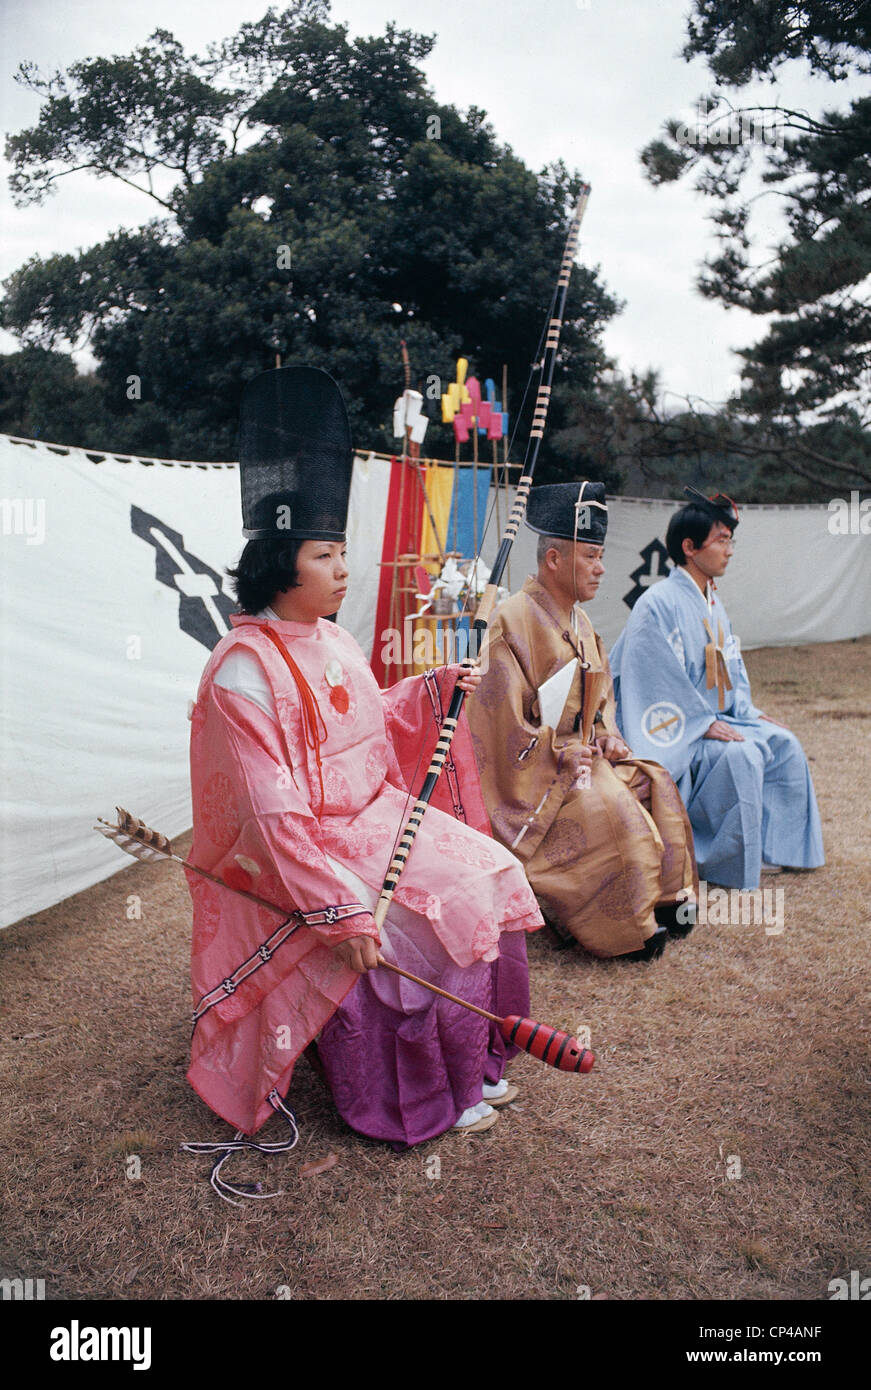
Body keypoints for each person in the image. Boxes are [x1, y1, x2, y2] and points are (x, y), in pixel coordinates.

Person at [186, 366, 542, 1156]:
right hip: (304, 850)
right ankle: (416, 1093)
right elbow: (269, 814)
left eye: (343, 552)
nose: (344, 568)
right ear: (280, 565)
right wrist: (335, 909)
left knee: (487, 870)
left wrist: (431, 689)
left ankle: (474, 1057)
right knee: (427, 914)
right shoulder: (240, 671)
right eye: (325, 554)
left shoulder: (335, 638)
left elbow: (365, 722)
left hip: (375, 816)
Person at [466, 481, 697, 961]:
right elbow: (499, 725)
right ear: (554, 559)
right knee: (610, 810)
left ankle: (666, 900)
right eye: (591, 556)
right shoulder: (509, 621)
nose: (601, 568)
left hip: (584, 757)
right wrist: (561, 754)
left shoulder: (581, 623)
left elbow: (600, 700)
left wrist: (607, 735)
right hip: (539, 774)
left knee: (654, 780)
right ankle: (628, 930)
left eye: (601, 556)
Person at [609, 488, 824, 890]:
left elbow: (730, 664)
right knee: (741, 754)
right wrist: (702, 723)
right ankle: (718, 858)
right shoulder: (657, 602)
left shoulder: (711, 601)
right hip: (677, 728)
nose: (729, 550)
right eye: (721, 540)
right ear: (689, 548)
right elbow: (652, 677)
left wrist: (748, 711)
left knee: (784, 744)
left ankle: (779, 849)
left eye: (730, 541)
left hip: (718, 715)